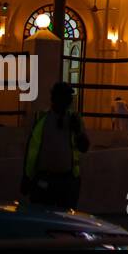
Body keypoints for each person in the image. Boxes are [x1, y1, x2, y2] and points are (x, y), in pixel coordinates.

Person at [22, 81, 90, 210]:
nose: (68, 100)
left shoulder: (74, 119)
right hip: (44, 179)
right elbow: (31, 150)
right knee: (42, 218)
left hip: (67, 181)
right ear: (54, 98)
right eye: (64, 96)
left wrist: (78, 131)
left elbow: (84, 147)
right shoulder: (43, 119)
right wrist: (27, 177)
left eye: (69, 97)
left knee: (65, 221)